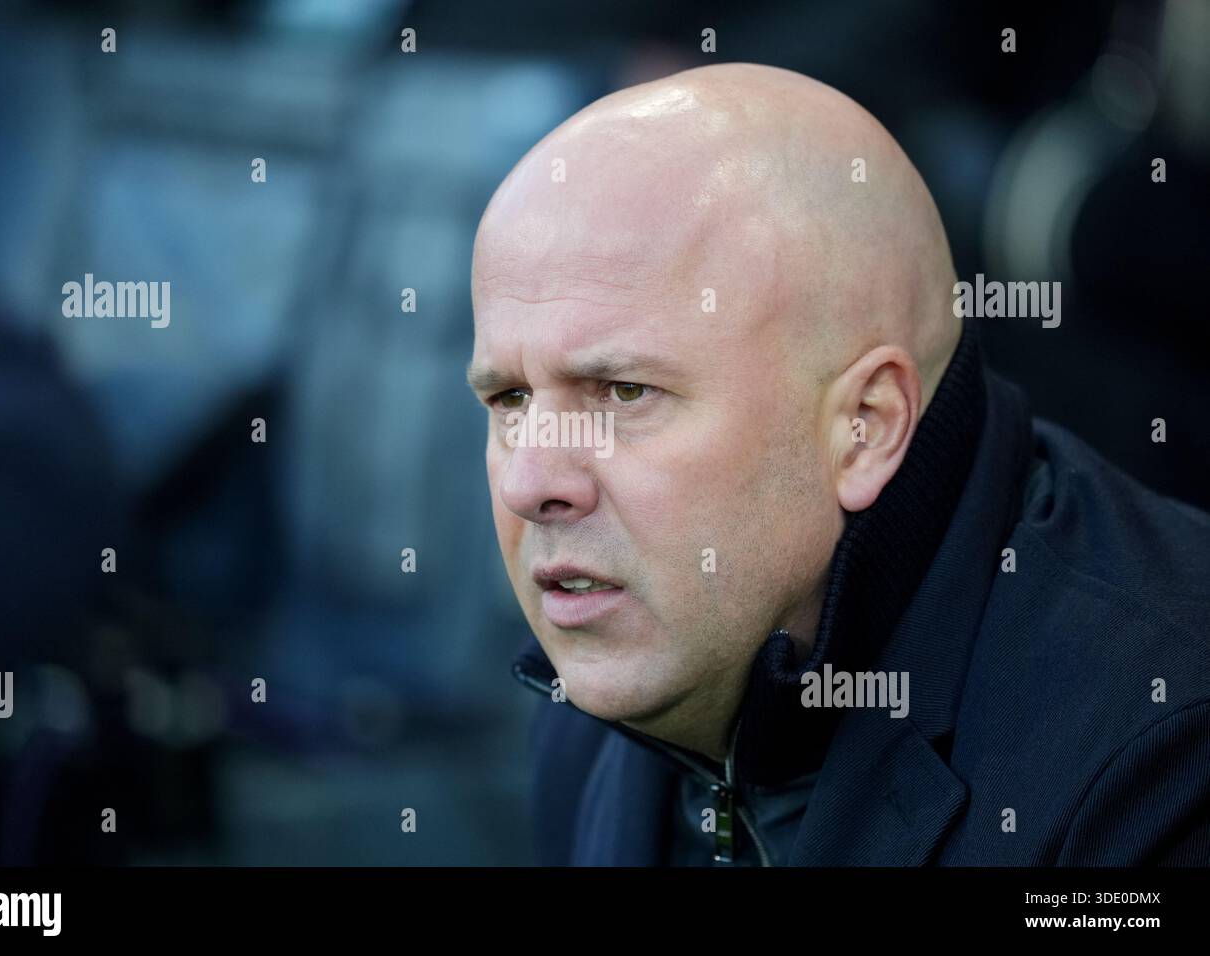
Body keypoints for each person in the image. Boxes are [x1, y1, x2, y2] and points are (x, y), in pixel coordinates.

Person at [466, 63, 1210, 865]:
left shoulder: (1161, 756)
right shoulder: (599, 692)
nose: (531, 482)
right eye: (509, 400)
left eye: (624, 392)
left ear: (865, 426)